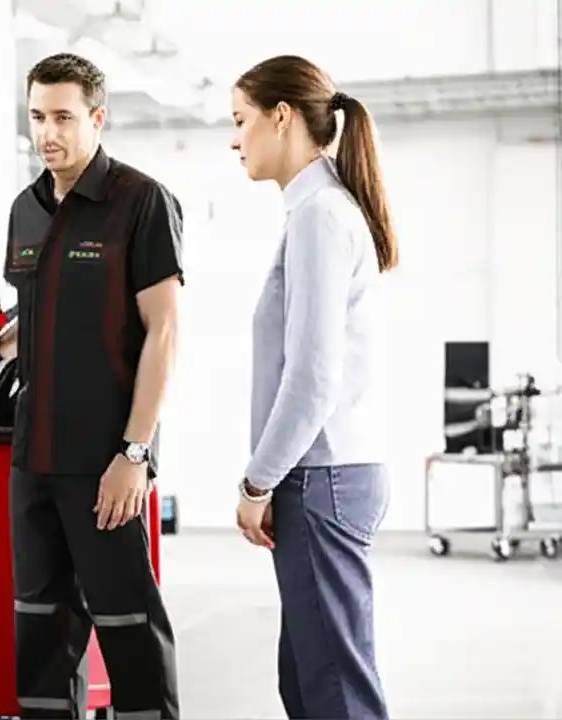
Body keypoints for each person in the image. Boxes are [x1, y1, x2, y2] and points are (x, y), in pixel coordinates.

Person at [0, 52, 184, 720]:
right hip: (35, 458)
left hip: (106, 459)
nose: (47, 133)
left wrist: (134, 456)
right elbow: (38, 311)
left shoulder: (141, 203)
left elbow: (163, 333)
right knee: (41, 628)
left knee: (128, 626)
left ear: (98, 119)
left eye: (64, 118)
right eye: (37, 117)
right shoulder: (26, 209)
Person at [229, 54, 396, 719]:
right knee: (306, 684)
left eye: (240, 121)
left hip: (320, 479)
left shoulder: (321, 216)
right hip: (322, 478)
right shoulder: (316, 211)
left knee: (337, 696)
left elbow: (312, 377)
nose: (234, 138)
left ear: (282, 117)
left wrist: (255, 483)